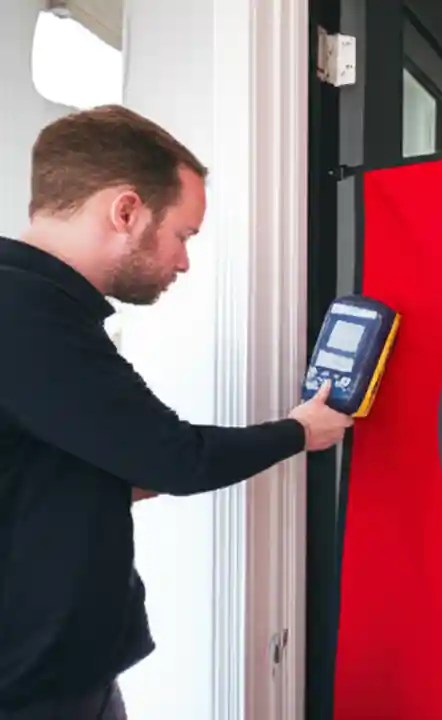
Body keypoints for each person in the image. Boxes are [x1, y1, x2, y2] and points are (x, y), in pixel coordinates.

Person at [0, 105, 353, 718]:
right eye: (183, 235)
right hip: (34, 689)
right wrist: (302, 431)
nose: (184, 261)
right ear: (127, 211)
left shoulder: (33, 307)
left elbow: (45, 455)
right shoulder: (26, 315)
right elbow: (178, 460)